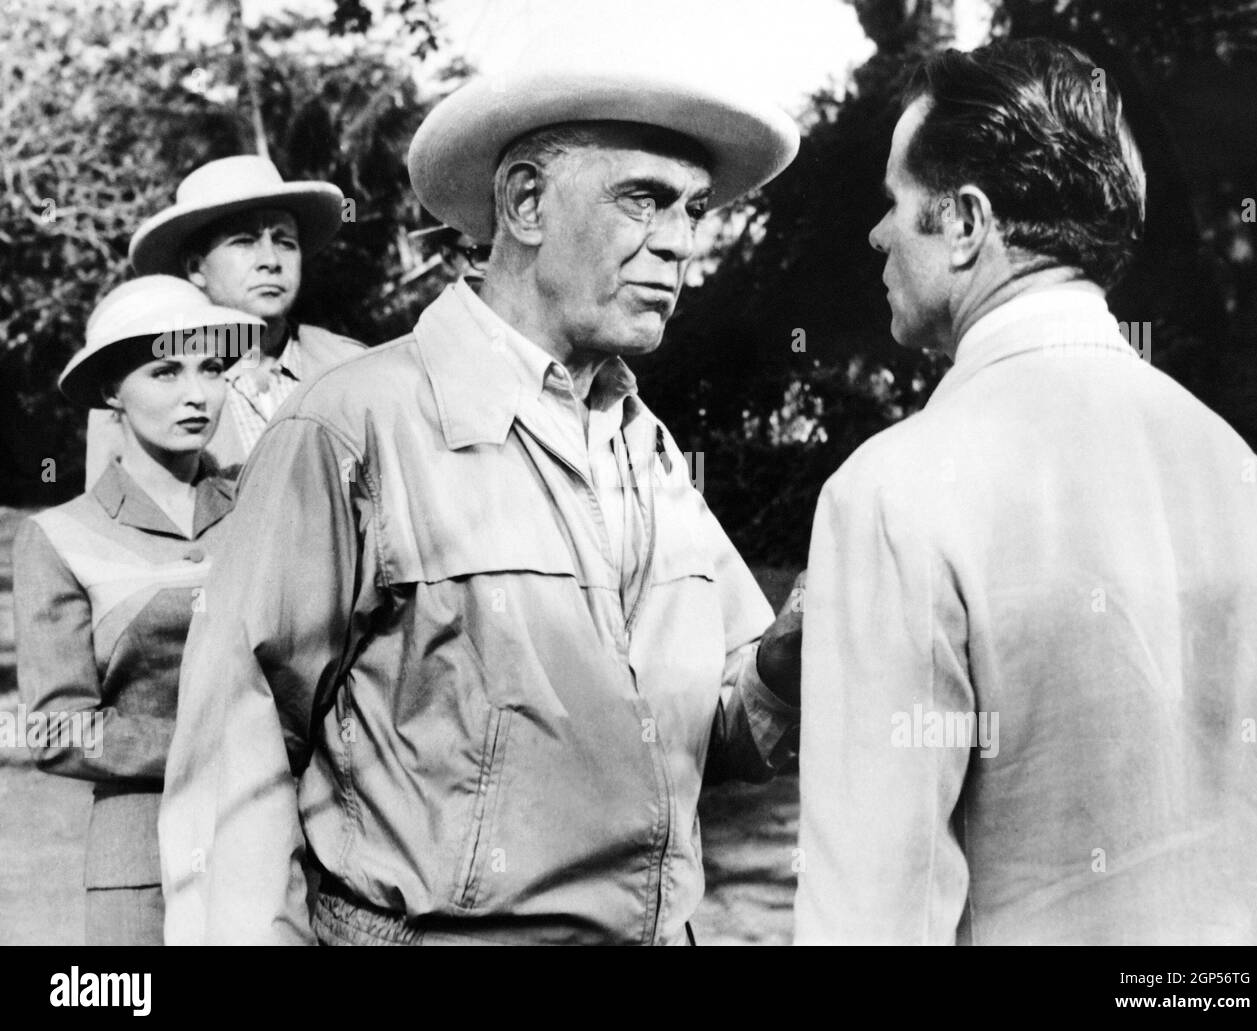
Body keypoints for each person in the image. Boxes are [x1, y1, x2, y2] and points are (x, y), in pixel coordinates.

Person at [159, 58, 805, 945]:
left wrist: (782, 665)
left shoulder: (644, 445)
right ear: (526, 203)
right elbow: (232, 768)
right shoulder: (353, 426)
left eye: (695, 209)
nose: (681, 243)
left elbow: (711, 730)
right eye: (643, 199)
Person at [795, 38, 1257, 945]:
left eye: (895, 202)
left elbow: (872, 912)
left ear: (966, 223)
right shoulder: (1255, 488)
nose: (876, 234)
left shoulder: (890, 495)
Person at [13, 276, 264, 945]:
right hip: (141, 863)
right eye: (164, 371)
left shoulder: (265, 509)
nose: (195, 394)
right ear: (108, 391)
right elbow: (58, 730)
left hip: (273, 846)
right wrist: (213, 746)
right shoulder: (61, 536)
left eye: (211, 368)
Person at [84, 155, 365, 483]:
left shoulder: (350, 364)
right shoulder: (138, 387)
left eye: (285, 242)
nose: (271, 260)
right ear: (195, 268)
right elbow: (111, 522)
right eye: (244, 241)